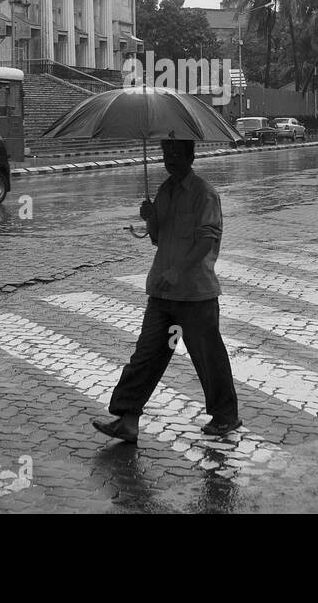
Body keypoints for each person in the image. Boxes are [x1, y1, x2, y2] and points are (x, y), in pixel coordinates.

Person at [92, 139, 240, 444]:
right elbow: (157, 239)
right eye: (165, 155)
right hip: (162, 293)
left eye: (175, 155)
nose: (169, 160)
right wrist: (151, 217)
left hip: (195, 294)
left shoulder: (204, 194)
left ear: (190, 156)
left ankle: (226, 417)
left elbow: (206, 242)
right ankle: (127, 418)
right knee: (146, 356)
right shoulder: (164, 191)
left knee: (208, 358)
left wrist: (178, 270)